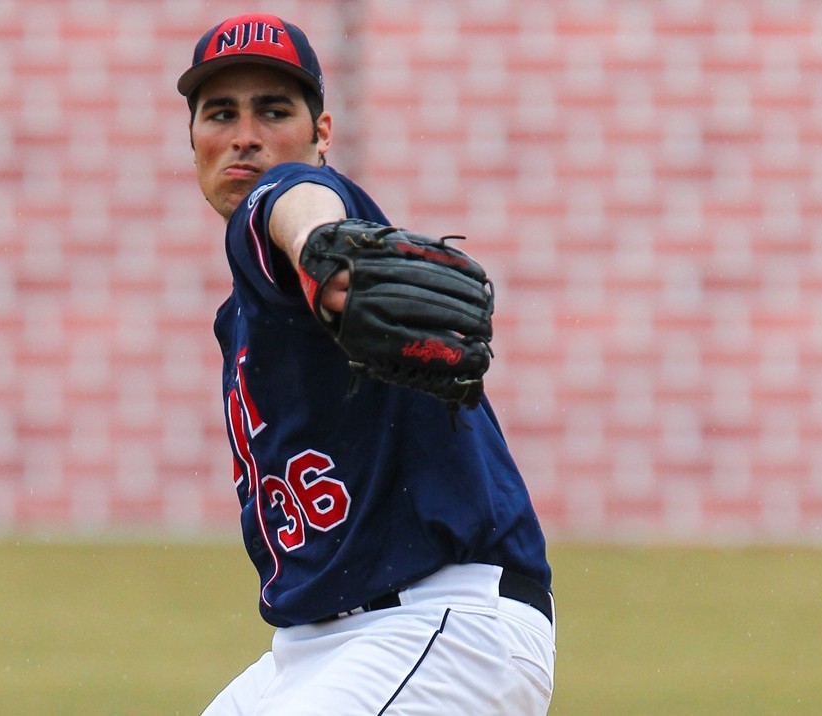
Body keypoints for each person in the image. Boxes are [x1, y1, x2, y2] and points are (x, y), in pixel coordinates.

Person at [178, 13, 555, 715]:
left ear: (321, 135)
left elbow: (291, 203)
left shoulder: (291, 213)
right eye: (219, 113)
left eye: (274, 110)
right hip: (312, 650)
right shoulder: (248, 314)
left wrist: (322, 244)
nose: (245, 135)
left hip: (444, 624)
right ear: (191, 138)